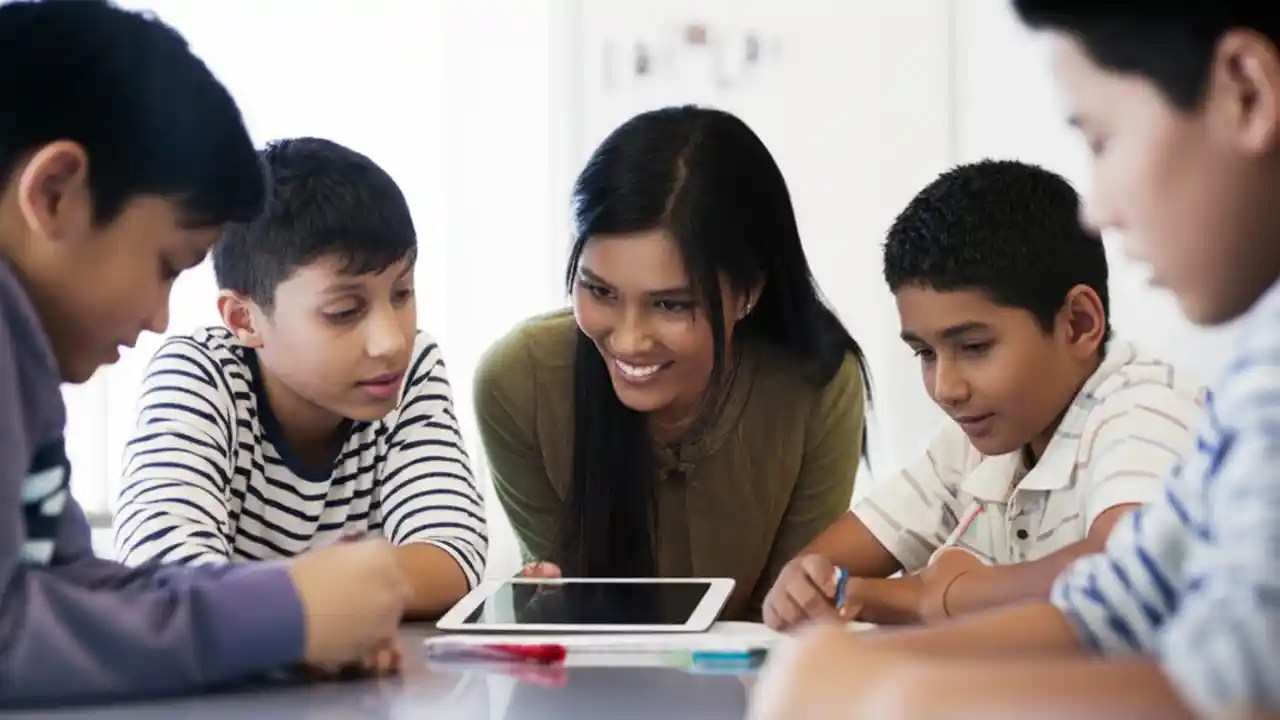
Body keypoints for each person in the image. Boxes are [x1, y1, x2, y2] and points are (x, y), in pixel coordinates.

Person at [750, 1, 1280, 717]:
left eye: (1103, 140)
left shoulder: (1189, 395)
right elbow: (1113, 606)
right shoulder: (1255, 374)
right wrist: (861, 658)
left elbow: (1238, 692)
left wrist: (897, 688)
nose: (1098, 209)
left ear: (1245, 93)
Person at [0, 1, 406, 707]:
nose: (159, 318)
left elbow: (65, 583)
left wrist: (289, 616)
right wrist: (282, 616)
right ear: (56, 194)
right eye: (167, 264)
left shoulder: (26, 363)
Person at [762, 160, 1203, 629]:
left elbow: (1129, 568)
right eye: (924, 353)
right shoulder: (972, 446)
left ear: (1078, 324)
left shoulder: (1147, 408)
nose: (945, 389)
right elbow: (818, 574)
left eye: (975, 347)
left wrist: (934, 596)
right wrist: (802, 587)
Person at [474, 106, 869, 621]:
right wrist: (548, 603)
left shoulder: (818, 385)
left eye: (670, 304)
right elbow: (567, 599)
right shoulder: (516, 383)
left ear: (748, 293)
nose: (628, 340)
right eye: (599, 291)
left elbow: (791, 615)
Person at [112, 137, 486, 619]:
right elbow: (163, 572)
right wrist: (326, 602)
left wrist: (312, 598)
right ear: (245, 319)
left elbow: (453, 555)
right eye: (344, 311)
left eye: (402, 293)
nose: (391, 341)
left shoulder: (410, 371)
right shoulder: (200, 373)